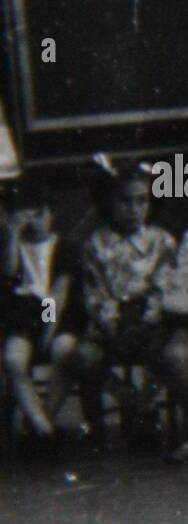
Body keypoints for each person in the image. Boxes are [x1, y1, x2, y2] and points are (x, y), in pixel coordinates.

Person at [67, 160, 188, 461]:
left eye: (141, 200)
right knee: (81, 357)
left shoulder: (162, 240)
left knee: (169, 358)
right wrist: (110, 323)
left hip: (152, 323)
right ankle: (130, 398)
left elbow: (169, 287)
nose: (134, 209)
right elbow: (94, 293)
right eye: (125, 201)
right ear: (108, 203)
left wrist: (149, 318)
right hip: (113, 323)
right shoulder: (96, 244)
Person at [0, 189, 80, 453]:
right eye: (26, 215)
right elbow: (8, 275)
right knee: (13, 360)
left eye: (40, 213)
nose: (34, 221)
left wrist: (47, 330)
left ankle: (45, 418)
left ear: (51, 214)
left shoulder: (64, 247)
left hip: (55, 316)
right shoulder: (12, 245)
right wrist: (11, 236)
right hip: (21, 317)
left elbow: (58, 293)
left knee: (64, 350)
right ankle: (41, 427)